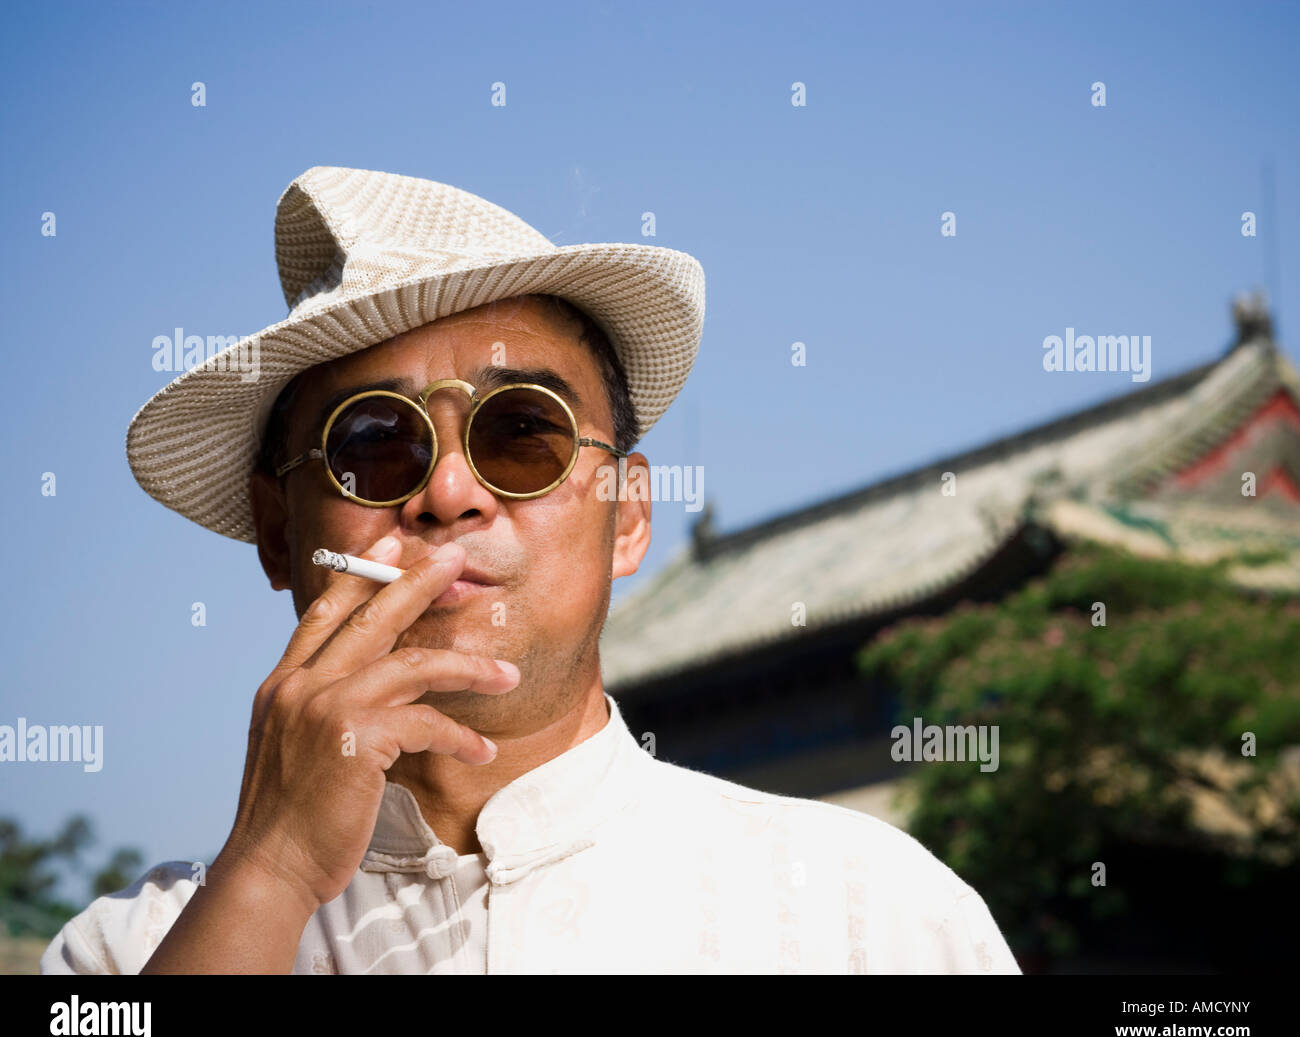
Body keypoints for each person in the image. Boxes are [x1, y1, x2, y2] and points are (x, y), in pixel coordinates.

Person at [41, 165, 1020, 974]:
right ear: (276, 534)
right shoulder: (128, 953)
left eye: (522, 434)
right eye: (376, 445)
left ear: (628, 515)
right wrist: (273, 872)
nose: (450, 494)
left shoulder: (877, 918)